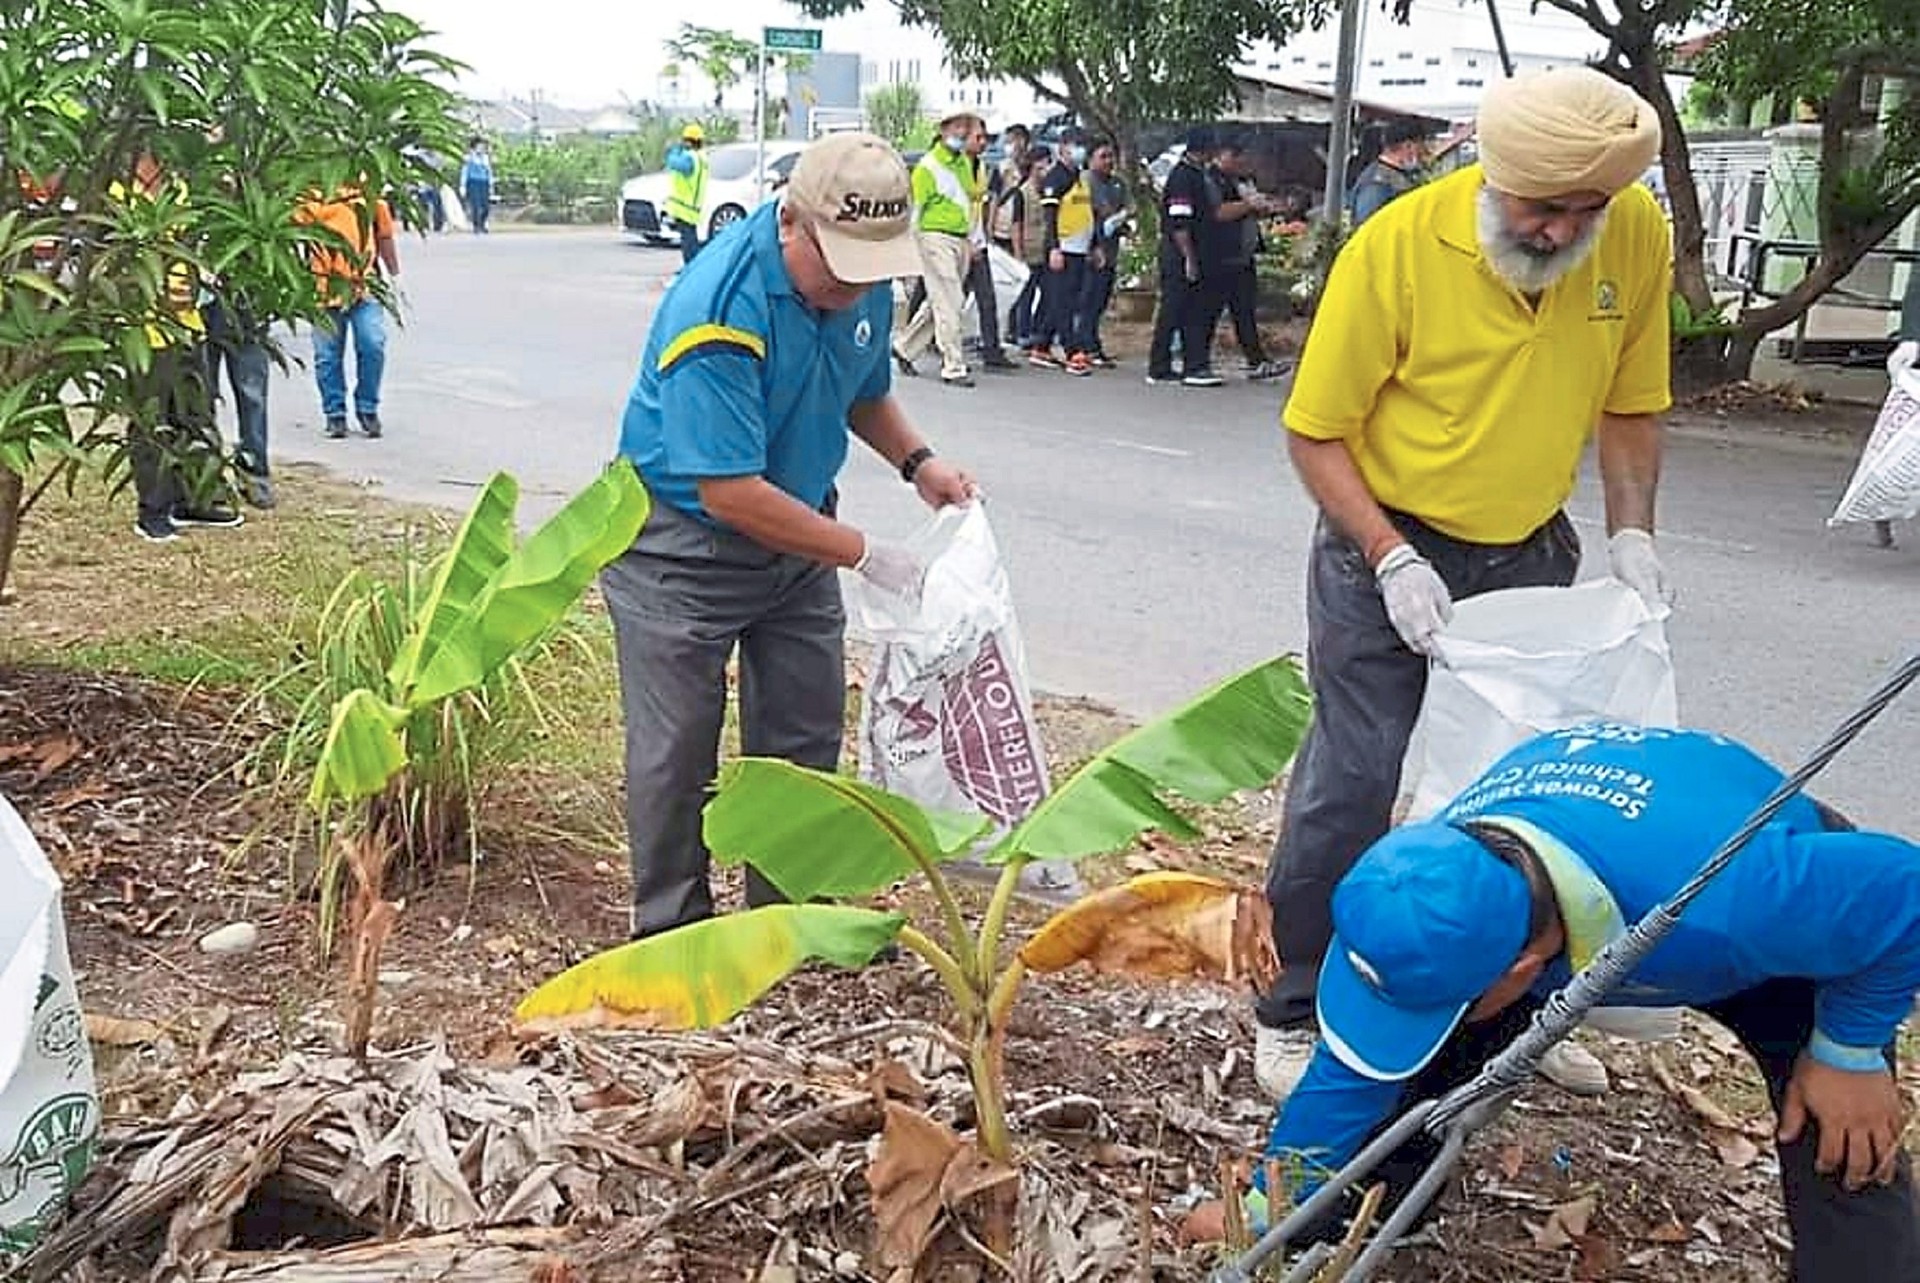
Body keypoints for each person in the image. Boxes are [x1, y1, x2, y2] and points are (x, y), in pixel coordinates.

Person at [1254, 66, 1675, 1103]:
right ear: (1493, 173)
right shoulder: (1397, 248)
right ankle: (1295, 998)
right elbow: (1315, 431)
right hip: (1384, 541)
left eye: (1586, 209)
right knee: (1356, 773)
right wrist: (1387, 554)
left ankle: (1513, 1008)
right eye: (1543, 208)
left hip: (1530, 548)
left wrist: (1632, 532)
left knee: (1520, 789)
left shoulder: (1632, 235)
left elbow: (1632, 403)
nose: (1562, 230)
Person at [1191, 724, 1920, 1282]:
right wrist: (1262, 1213)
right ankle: (1373, 1211)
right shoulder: (1432, 875)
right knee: (1427, 1059)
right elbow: (1348, 1074)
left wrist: (1850, 1046)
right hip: (1581, 894)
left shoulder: (1743, 899)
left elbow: (1904, 889)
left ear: (1523, 970)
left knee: (1841, 1138)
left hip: (1798, 929)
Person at [603, 133, 977, 939]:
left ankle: (791, 919)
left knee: (803, 736)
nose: (854, 288)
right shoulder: (717, 308)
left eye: (869, 270)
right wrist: (864, 553)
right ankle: (673, 934)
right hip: (679, 547)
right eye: (839, 268)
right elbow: (729, 491)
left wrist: (919, 462)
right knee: (676, 753)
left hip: (800, 532)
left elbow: (863, 387)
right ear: (790, 222)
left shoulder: (859, 278)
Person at [112, 152, 244, 542]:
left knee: (195, 413)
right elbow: (112, 262)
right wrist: (152, 294)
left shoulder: (178, 188)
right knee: (151, 420)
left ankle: (196, 498)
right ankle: (152, 510)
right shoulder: (117, 191)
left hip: (187, 325)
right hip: (144, 329)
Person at [297, 185, 400, 439]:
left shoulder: (367, 190)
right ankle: (335, 414)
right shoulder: (309, 196)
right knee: (327, 355)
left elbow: (384, 235)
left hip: (363, 285)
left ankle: (367, 407)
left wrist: (394, 274)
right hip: (323, 288)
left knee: (372, 344)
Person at [893, 113, 983, 387]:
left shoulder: (963, 163)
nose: (962, 132)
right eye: (957, 127)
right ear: (943, 131)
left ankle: (904, 347)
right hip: (934, 237)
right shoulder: (928, 167)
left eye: (965, 127)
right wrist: (909, 248)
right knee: (951, 301)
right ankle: (953, 366)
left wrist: (975, 239)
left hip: (960, 238)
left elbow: (970, 202)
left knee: (941, 302)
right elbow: (916, 211)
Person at [1204, 138, 1289, 382]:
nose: (1241, 161)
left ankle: (1257, 360)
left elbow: (1247, 209)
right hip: (1222, 257)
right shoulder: (1211, 180)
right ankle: (1198, 360)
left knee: (1244, 311)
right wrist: (1248, 204)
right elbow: (1219, 212)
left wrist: (1263, 207)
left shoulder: (1239, 181)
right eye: (1235, 156)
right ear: (1220, 155)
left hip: (1242, 256)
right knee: (1210, 312)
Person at [1147, 128, 1223, 388]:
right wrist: (1188, 257)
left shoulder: (1198, 174)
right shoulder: (1182, 177)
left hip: (1194, 252)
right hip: (1179, 253)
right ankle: (1161, 366)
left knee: (1192, 310)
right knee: (1175, 310)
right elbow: (1179, 222)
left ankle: (1193, 364)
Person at [1026, 128, 1097, 375]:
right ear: (1063, 147)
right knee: (1063, 302)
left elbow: (1086, 213)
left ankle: (1041, 346)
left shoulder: (1080, 177)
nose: (1080, 151)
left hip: (1080, 247)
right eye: (1075, 145)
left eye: (1082, 145)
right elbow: (1050, 217)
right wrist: (1054, 248)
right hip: (1063, 248)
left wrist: (1094, 245)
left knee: (1061, 299)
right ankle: (1071, 351)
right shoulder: (1055, 178)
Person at [1081, 140, 1126, 370]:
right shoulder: (1086, 182)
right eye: (1103, 156)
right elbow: (1090, 215)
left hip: (1111, 249)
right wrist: (1093, 246)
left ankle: (1091, 344)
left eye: (1111, 156)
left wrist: (1123, 223)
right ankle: (1087, 346)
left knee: (1100, 301)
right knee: (1089, 300)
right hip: (1091, 250)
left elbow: (1124, 210)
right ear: (1090, 159)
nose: (1109, 161)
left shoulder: (1117, 183)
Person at [1349, 118, 1428, 227]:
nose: (1424, 153)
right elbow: (1369, 228)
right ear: (1408, 146)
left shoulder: (1399, 175)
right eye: (1421, 146)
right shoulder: (1376, 185)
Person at [663, 123, 709, 266]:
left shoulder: (689, 158)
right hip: (693, 208)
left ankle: (692, 270)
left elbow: (673, 162)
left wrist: (673, 150)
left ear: (689, 141)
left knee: (688, 243)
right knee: (690, 240)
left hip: (684, 208)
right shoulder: (701, 158)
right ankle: (693, 268)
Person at [459, 137, 493, 234]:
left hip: (484, 183)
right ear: (474, 147)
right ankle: (477, 226)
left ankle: (482, 223)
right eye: (479, 146)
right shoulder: (469, 158)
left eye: (483, 146)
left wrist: (491, 185)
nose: (482, 148)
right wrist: (462, 185)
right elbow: (464, 172)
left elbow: (489, 172)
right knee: (476, 205)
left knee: (486, 207)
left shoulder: (485, 158)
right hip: (473, 182)